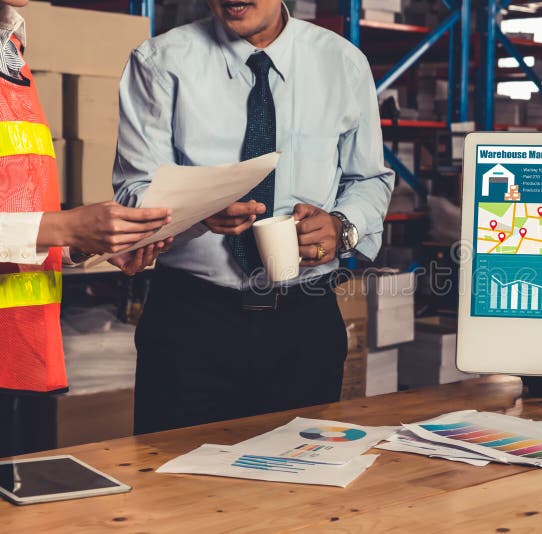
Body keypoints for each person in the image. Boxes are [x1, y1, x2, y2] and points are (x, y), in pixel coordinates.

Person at [113, 0, 394, 434]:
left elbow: (370, 178)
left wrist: (343, 226)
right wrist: (198, 210)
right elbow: (134, 192)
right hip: (190, 322)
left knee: (297, 487)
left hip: (305, 322)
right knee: (172, 492)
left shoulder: (342, 64)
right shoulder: (159, 62)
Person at [0, 0, 171, 456]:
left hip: (18, 348)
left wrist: (85, 242)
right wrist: (68, 227)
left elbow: (16, 199)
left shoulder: (10, 41)